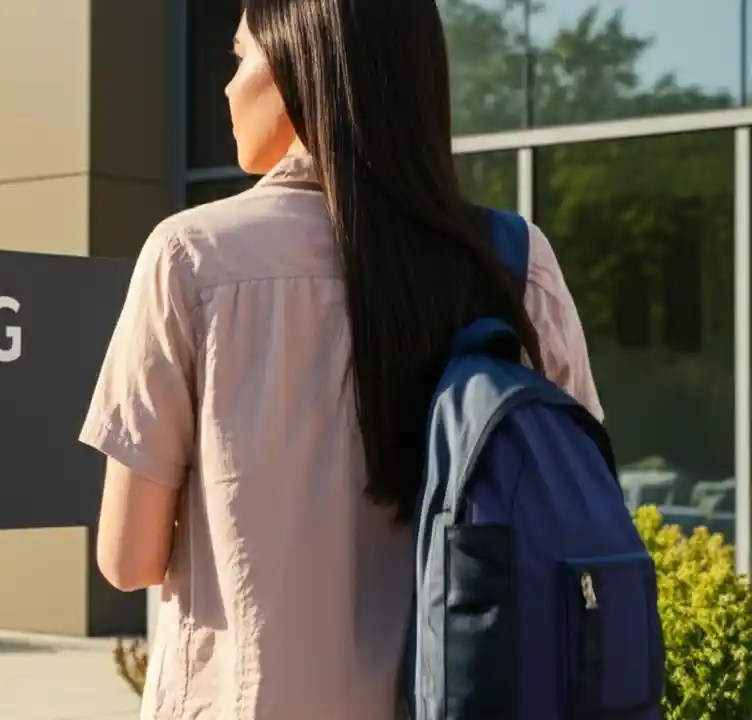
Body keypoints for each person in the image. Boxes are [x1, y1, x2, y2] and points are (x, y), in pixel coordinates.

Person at [78, 0, 603, 717]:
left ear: (301, 65)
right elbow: (582, 497)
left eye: (240, 57)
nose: (228, 88)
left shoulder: (192, 258)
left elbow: (127, 557)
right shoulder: (513, 263)